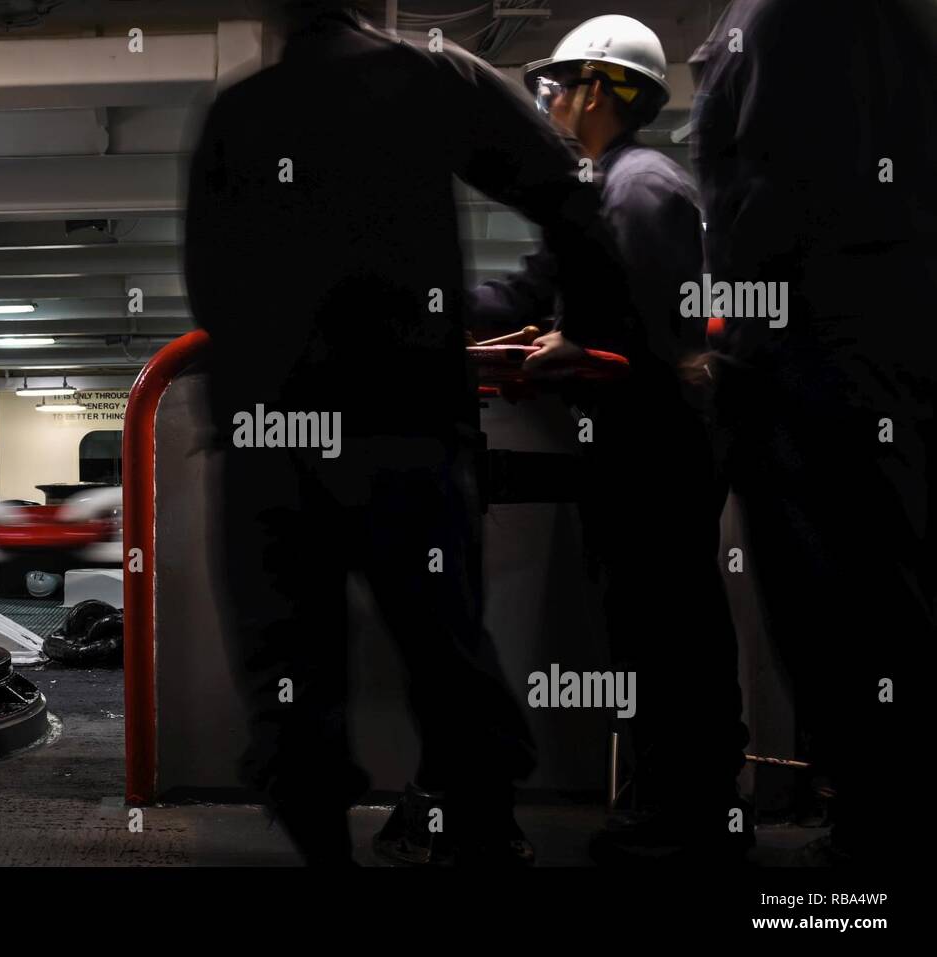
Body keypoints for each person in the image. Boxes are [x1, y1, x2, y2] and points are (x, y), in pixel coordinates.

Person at [184, 0, 636, 865]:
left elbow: (213, 284)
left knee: (289, 672)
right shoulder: (430, 75)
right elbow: (568, 199)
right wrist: (592, 322)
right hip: (406, 427)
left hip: (272, 442)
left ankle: (325, 849)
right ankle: (479, 837)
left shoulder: (237, 112)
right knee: (445, 648)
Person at [458, 14, 750, 863]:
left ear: (597, 91)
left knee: (670, 631)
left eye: (554, 85)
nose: (545, 100)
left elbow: (667, 333)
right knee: (648, 627)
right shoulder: (600, 191)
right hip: (631, 447)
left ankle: (690, 815)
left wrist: (578, 342)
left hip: (660, 449)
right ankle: (675, 804)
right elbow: (530, 287)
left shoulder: (643, 188)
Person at [690, 0, 936, 865]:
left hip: (809, 348)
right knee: (881, 580)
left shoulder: (786, 17)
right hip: (877, 333)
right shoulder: (897, 21)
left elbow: (770, 186)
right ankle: (881, 810)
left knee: (828, 594)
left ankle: (875, 825)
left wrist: (729, 331)